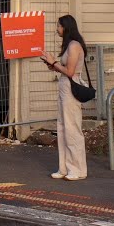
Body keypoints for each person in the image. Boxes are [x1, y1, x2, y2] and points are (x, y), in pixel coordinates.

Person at [41, 14, 88, 181]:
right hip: (64, 87)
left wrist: (55, 63)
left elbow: (70, 72)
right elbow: (64, 69)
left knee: (72, 127)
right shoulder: (69, 45)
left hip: (70, 87)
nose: (57, 29)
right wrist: (52, 64)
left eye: (59, 26)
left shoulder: (74, 46)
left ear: (66, 27)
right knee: (62, 127)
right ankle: (64, 167)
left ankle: (77, 169)